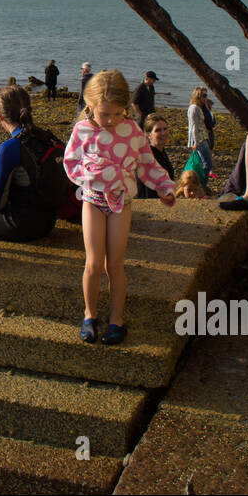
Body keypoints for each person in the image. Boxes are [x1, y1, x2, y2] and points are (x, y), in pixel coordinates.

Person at [63, 70, 175, 346]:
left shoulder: (134, 132)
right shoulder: (82, 130)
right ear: (90, 107)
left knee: (115, 264)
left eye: (117, 114)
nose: (112, 120)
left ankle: (116, 319)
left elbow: (148, 164)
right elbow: (70, 164)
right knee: (93, 262)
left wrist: (165, 187)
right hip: (93, 199)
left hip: (121, 202)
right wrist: (93, 172)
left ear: (125, 108)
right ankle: (90, 315)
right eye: (105, 115)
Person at [0, 86, 57, 242]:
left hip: (20, 225)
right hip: (49, 221)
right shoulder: (48, 138)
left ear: (0, 115)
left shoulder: (9, 148)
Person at [136, 113, 176, 198]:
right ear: (148, 134)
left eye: (165, 129)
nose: (163, 133)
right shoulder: (148, 158)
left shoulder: (160, 152)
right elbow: (147, 192)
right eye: (158, 130)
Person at [186, 87, 214, 179]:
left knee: (203, 163)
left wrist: (206, 105)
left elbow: (209, 119)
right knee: (207, 164)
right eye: (204, 95)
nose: (205, 97)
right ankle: (201, 183)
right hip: (199, 139)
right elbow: (193, 126)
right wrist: (195, 142)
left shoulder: (201, 107)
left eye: (206, 95)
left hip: (204, 137)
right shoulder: (194, 108)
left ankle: (200, 183)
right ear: (197, 96)